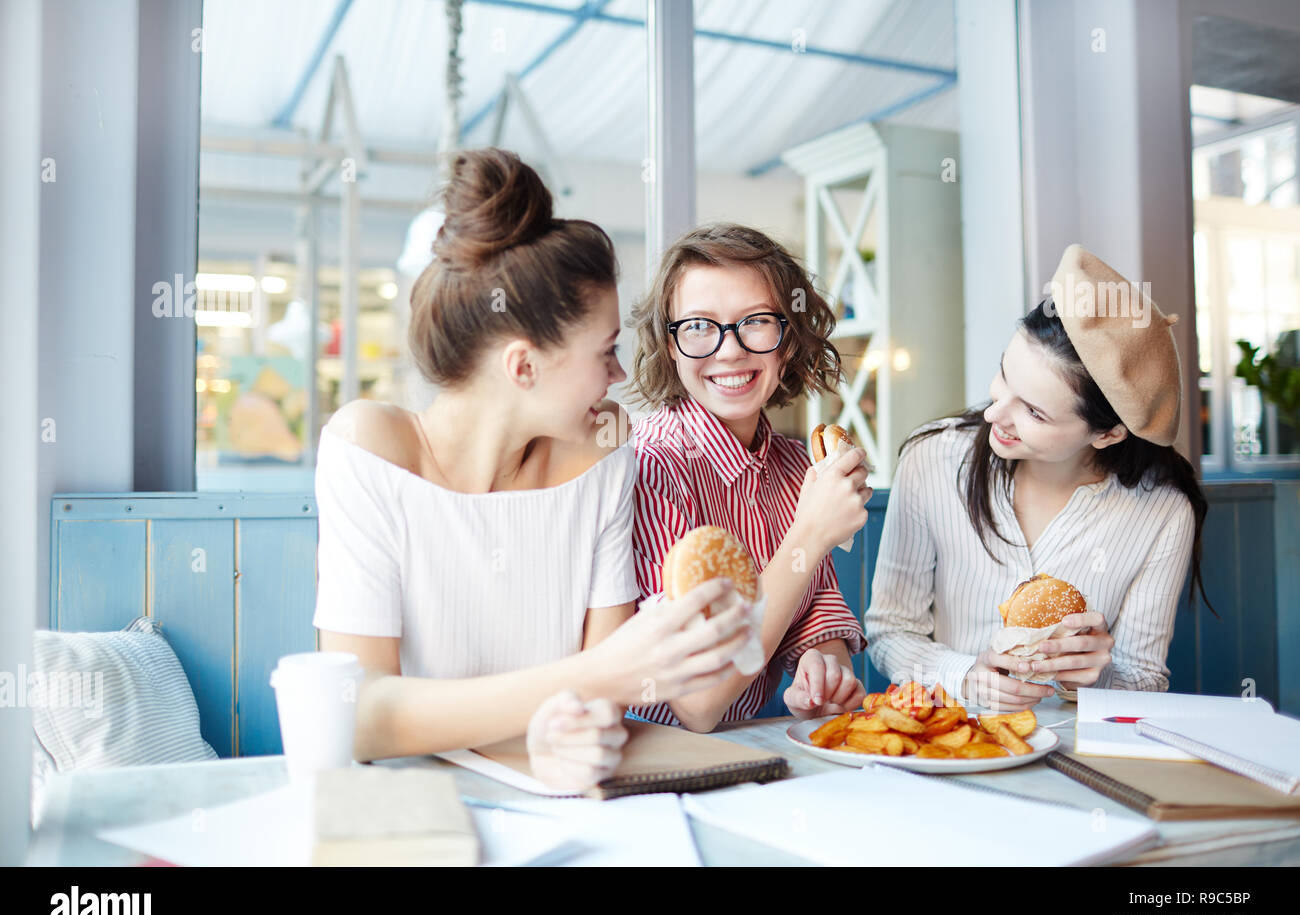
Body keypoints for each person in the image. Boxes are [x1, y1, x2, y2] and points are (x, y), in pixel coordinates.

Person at [312, 149, 753, 789]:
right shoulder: (370, 448)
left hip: (558, 796)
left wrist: (575, 727)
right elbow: (362, 713)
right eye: (605, 353)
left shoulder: (603, 456)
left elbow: (605, 697)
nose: (619, 377)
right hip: (413, 809)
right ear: (524, 367)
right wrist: (592, 680)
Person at [866, 245, 1211, 711]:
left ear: (1107, 434)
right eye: (1004, 376)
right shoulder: (934, 459)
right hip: (952, 745)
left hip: (1079, 759)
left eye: (1033, 412)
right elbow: (890, 631)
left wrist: (1091, 680)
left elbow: (1144, 678)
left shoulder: (1163, 511)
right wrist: (966, 676)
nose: (994, 413)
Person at [624, 223, 873, 732]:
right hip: (653, 758)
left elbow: (814, 612)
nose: (729, 350)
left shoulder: (792, 463)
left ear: (788, 338)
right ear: (669, 345)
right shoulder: (651, 466)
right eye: (697, 326)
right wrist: (812, 530)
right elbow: (698, 703)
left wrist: (825, 670)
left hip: (747, 748)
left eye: (755, 321)